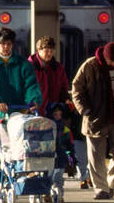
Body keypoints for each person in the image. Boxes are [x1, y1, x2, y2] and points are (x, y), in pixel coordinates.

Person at [71, 40, 114, 199]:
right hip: (95, 117)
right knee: (96, 156)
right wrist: (85, 110)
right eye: (112, 61)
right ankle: (101, 188)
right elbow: (76, 89)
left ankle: (110, 184)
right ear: (105, 56)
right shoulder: (89, 66)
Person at [0, 27, 42, 190]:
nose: (6, 47)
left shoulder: (23, 64)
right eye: (2, 44)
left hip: (17, 110)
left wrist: (33, 100)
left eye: (9, 44)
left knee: (19, 147)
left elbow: (31, 84)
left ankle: (17, 178)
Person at [29, 36, 89, 188]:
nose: (49, 53)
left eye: (51, 50)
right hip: (36, 112)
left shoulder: (57, 67)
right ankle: (39, 176)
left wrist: (65, 101)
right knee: (38, 147)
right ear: (38, 50)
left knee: (56, 147)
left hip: (54, 113)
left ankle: (53, 181)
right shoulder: (30, 66)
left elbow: (63, 87)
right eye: (45, 50)